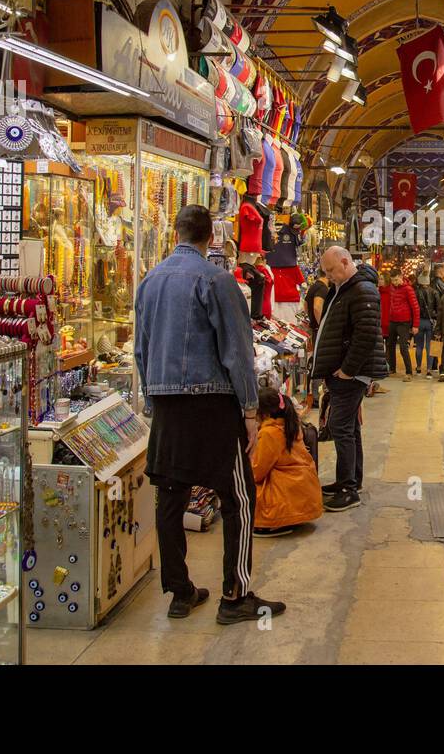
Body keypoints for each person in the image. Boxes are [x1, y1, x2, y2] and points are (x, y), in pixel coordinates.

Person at [134, 205, 286, 624]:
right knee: (238, 496)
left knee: (170, 499)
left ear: (176, 231)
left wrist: (153, 401)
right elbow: (236, 352)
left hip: (167, 407)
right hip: (213, 407)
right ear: (210, 238)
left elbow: (142, 349)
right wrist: (250, 410)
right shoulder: (217, 280)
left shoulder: (150, 281)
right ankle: (235, 595)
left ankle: (180, 592)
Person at [311, 245, 388, 512]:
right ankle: (351, 481)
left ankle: (348, 488)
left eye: (331, 270)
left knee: (340, 425)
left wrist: (348, 370)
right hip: (344, 370)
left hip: (350, 373)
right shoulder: (345, 287)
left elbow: (365, 335)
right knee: (349, 427)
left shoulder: (361, 290)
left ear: (345, 262)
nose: (329, 276)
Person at [251, 387, 322, 537]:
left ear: (264, 413)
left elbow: (257, 472)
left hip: (285, 496)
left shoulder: (269, 433)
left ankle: (273, 524)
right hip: (305, 494)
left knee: (245, 486)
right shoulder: (292, 425)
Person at [303, 267, 332, 410]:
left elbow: (306, 306)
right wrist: (323, 325)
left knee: (315, 360)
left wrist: (311, 321)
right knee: (320, 361)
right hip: (319, 330)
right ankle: (315, 396)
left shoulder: (313, 287)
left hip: (314, 329)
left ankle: (314, 394)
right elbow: (316, 307)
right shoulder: (322, 288)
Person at [387, 271, 419, 380]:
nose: (394, 283)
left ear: (401, 277)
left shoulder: (408, 289)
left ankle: (409, 372)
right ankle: (392, 368)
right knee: (390, 345)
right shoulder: (391, 287)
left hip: (404, 322)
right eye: (392, 281)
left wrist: (415, 325)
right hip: (392, 320)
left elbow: (415, 307)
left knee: (402, 347)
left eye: (396, 280)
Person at [414, 271, 440, 378]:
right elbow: (439, 308)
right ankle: (429, 370)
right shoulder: (434, 292)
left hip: (419, 321)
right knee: (430, 346)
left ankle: (419, 368)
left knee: (419, 346)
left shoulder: (416, 292)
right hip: (431, 322)